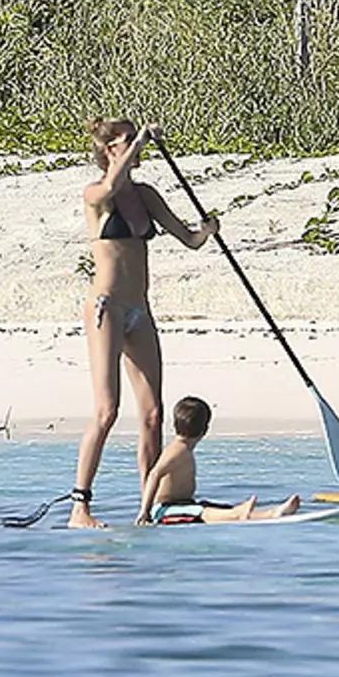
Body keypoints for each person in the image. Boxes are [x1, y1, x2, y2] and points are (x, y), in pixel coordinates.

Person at [69, 119, 221, 528]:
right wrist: (135, 139)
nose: (138, 149)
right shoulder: (96, 194)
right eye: (127, 143)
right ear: (108, 152)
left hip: (140, 311)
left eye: (137, 142)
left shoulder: (146, 196)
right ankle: (79, 507)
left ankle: (148, 507)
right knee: (107, 410)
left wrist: (206, 231)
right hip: (107, 308)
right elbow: (110, 185)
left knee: (153, 413)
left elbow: (188, 239)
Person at [136, 396, 302, 526]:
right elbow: (154, 475)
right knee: (204, 513)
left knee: (220, 510)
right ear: (205, 429)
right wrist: (145, 511)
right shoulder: (177, 451)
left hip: (183, 505)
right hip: (165, 510)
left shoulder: (182, 449)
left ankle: (272, 513)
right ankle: (243, 513)